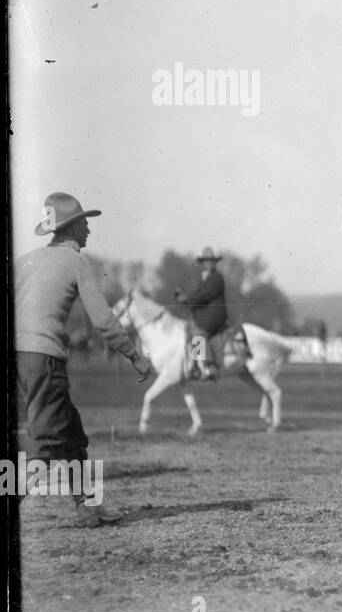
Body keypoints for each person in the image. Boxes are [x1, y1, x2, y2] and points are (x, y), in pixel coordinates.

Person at [14, 192, 153, 527]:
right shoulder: (77, 262)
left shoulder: (25, 261)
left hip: (20, 358)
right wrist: (135, 357)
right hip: (43, 359)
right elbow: (104, 321)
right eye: (85, 222)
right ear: (72, 227)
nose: (89, 229)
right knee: (46, 444)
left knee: (71, 434)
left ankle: (88, 507)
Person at [174, 247, 230, 381]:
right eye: (206, 261)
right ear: (203, 263)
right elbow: (199, 295)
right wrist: (185, 300)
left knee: (198, 333)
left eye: (211, 261)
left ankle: (209, 367)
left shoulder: (217, 278)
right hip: (205, 314)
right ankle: (195, 364)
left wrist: (186, 299)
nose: (208, 263)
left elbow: (204, 295)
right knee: (191, 331)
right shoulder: (205, 278)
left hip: (215, 315)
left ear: (215, 263)